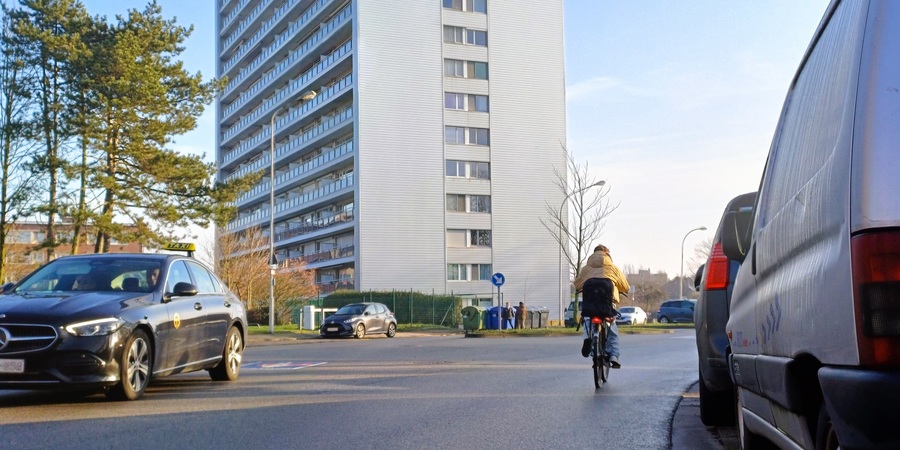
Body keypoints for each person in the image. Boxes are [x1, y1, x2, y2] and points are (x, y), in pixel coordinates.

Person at [573, 245, 630, 368]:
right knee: (611, 328)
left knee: (588, 321)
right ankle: (614, 356)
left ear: (594, 254)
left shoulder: (586, 268)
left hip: (590, 302)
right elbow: (626, 287)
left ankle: (588, 338)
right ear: (607, 254)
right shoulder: (613, 268)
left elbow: (577, 285)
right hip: (607, 303)